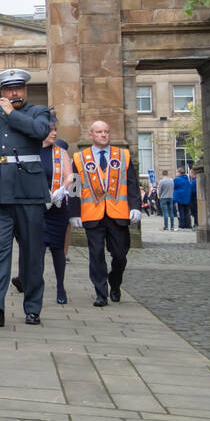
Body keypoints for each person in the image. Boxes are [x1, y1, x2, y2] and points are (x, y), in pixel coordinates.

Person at [0, 68, 53, 328]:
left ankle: (33, 307)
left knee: (32, 253)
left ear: (24, 90)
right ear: (1, 91)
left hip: (29, 192)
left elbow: (39, 132)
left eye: (18, 88)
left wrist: (12, 113)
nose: (14, 93)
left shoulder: (37, 112)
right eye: (8, 89)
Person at [69, 120, 142, 305]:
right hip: (92, 213)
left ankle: (115, 283)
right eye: (99, 132)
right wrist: (74, 212)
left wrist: (135, 207)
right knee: (96, 254)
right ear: (91, 135)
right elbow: (75, 187)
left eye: (106, 132)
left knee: (120, 255)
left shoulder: (123, 155)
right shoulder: (80, 157)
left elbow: (132, 183)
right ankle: (101, 293)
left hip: (118, 213)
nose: (103, 135)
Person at [41, 126, 73, 304]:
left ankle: (61, 287)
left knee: (57, 248)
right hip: (37, 207)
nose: (54, 133)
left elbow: (69, 176)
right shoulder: (30, 150)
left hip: (57, 206)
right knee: (37, 250)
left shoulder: (61, 152)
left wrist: (63, 189)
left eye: (55, 130)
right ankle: (35, 287)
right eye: (50, 130)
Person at [172, 167, 191, 231]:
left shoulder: (177, 179)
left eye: (176, 172)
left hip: (179, 198)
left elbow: (173, 187)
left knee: (180, 212)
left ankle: (181, 225)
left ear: (179, 172)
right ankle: (187, 225)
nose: (176, 173)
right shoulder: (187, 179)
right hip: (186, 198)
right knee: (186, 212)